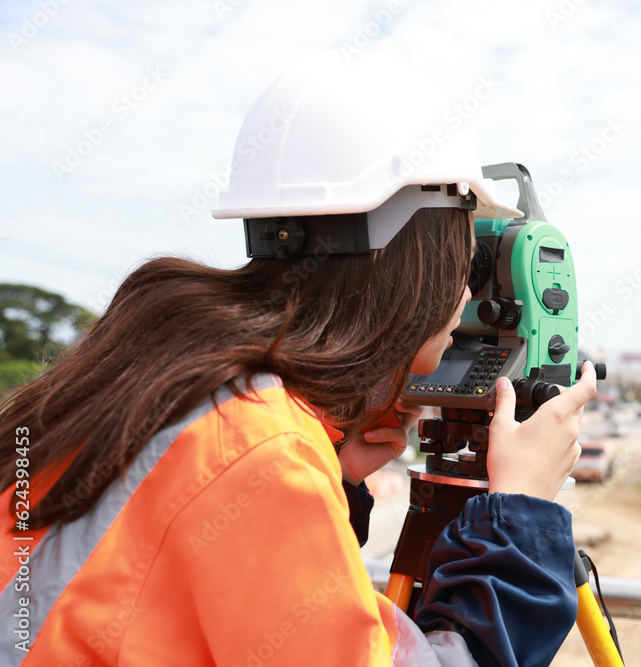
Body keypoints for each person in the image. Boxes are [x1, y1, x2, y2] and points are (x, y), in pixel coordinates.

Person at [0, 52, 596, 666]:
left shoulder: (171, 376)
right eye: (463, 259)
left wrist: (336, 478)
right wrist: (522, 516)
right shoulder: (261, 450)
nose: (469, 295)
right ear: (416, 253)